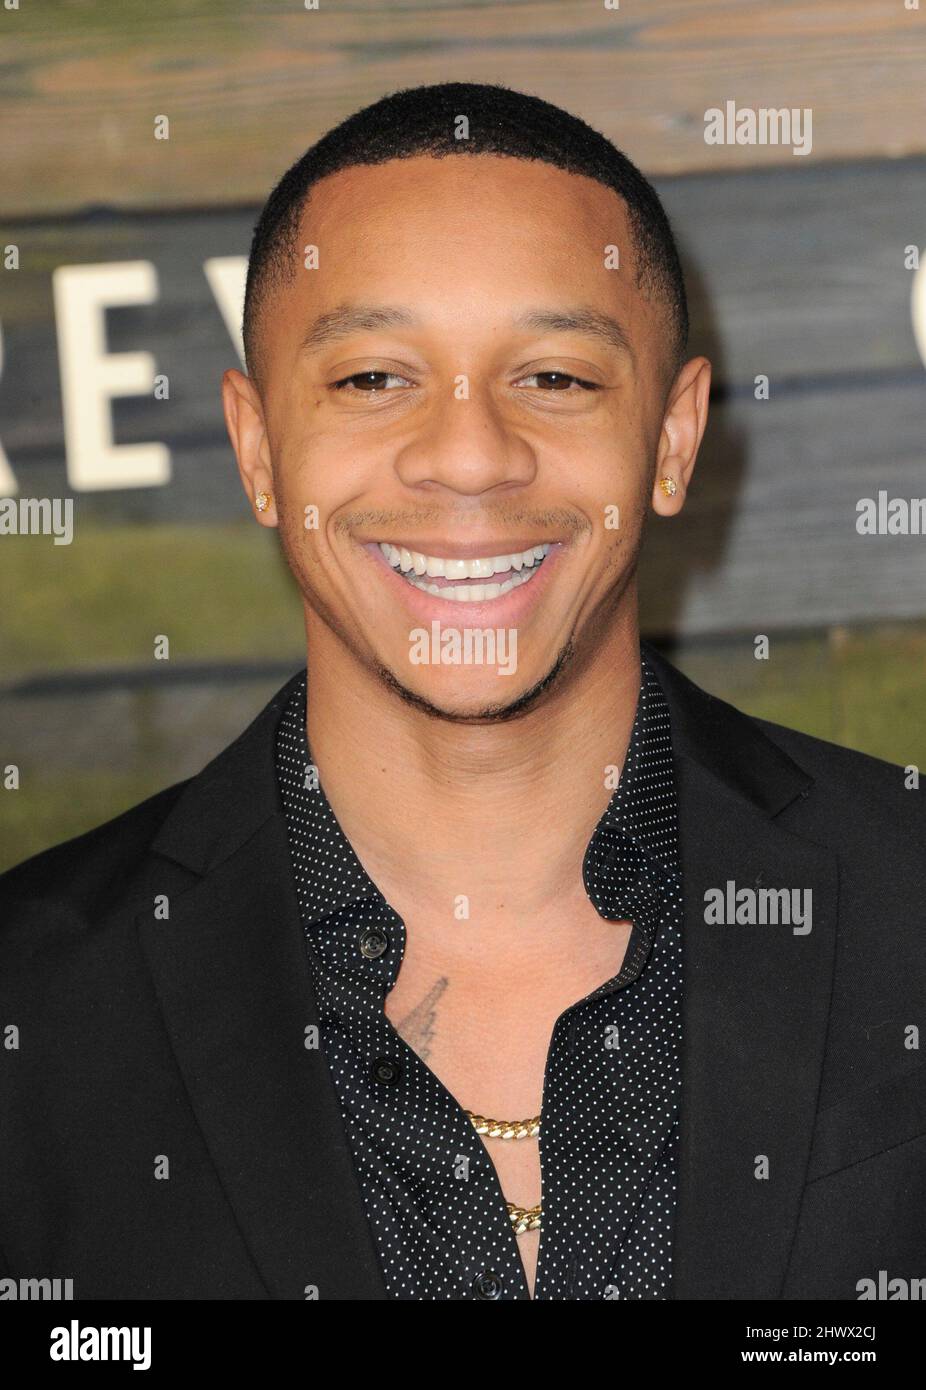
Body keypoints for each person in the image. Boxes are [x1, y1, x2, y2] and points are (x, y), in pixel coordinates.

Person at [1, 83, 923, 1302]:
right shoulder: (36, 1006)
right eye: (374, 378)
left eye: (552, 376)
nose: (470, 453)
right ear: (257, 448)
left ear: (672, 437)